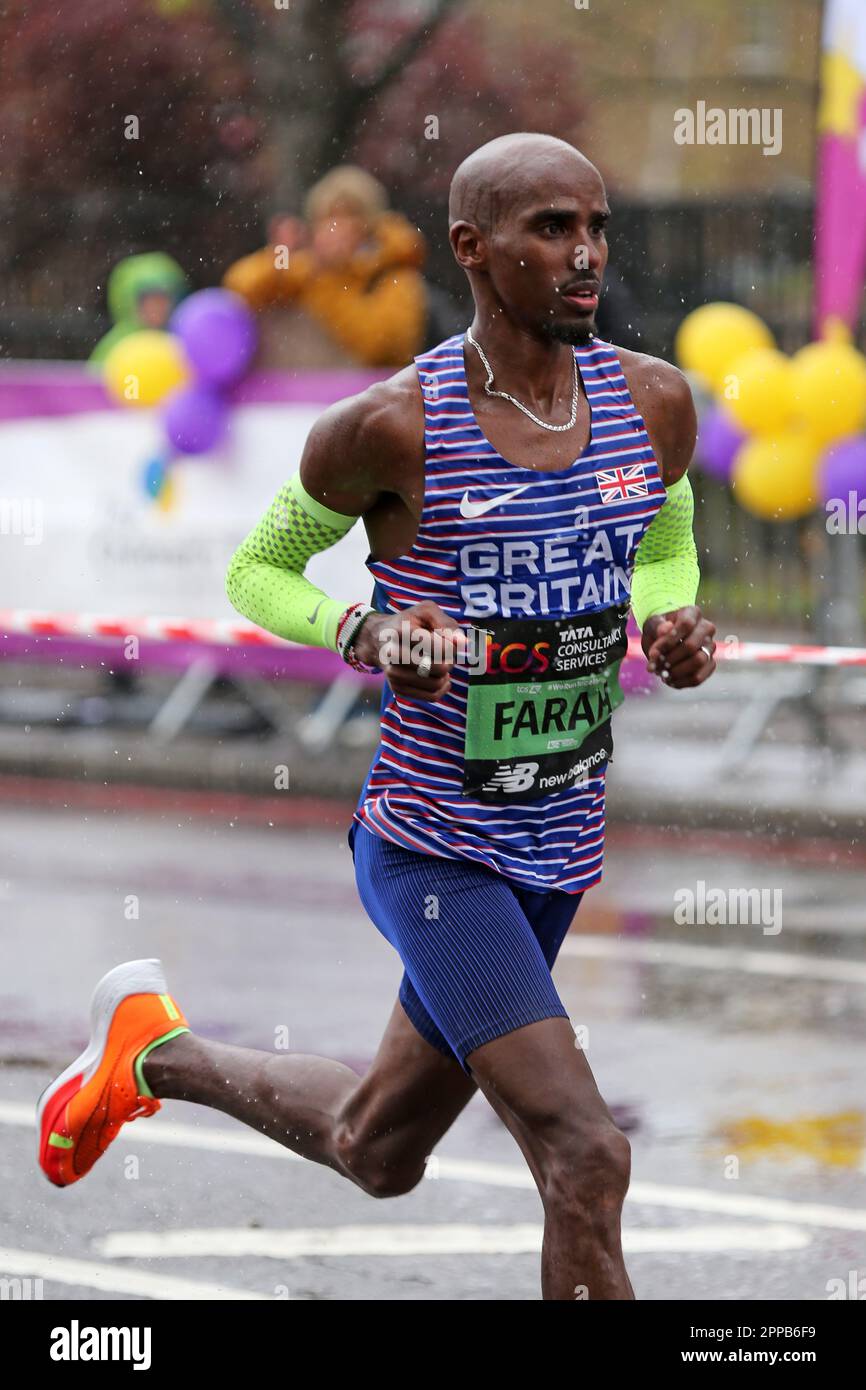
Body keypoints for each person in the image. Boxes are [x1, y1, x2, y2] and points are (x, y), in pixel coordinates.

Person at [38, 133, 716, 1301]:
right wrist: (362, 631)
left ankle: (155, 1047)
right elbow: (258, 571)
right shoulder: (389, 426)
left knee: (377, 1149)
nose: (585, 254)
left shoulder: (650, 403)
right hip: (434, 848)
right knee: (583, 1153)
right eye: (550, 229)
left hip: (560, 844)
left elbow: (660, 543)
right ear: (471, 248)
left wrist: (670, 617)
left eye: (594, 226)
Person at [222, 165, 430, 367]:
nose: (335, 229)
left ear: (369, 226)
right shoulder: (307, 269)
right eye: (327, 218)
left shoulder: (395, 275)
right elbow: (237, 289)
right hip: (307, 398)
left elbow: (381, 348)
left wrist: (329, 278)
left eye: (348, 216)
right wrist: (278, 260)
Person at [87, 252, 188, 368]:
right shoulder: (117, 346)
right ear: (129, 302)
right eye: (150, 301)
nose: (157, 308)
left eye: (162, 300)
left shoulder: (179, 343)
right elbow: (95, 382)